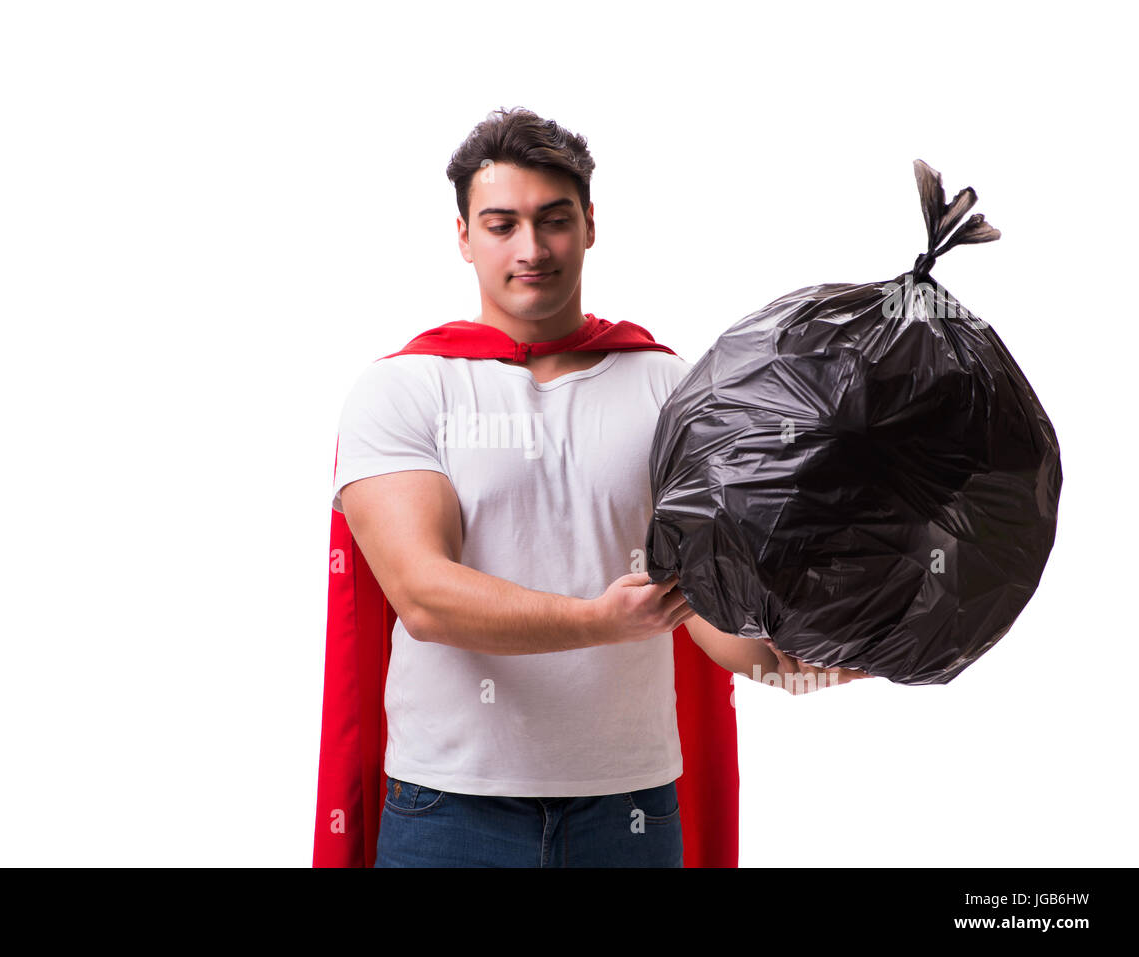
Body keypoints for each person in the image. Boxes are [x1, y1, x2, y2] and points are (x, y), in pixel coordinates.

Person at [326, 107, 867, 868]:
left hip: (631, 811)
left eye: (554, 220)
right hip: (449, 811)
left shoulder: (668, 387)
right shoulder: (404, 391)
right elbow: (425, 596)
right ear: (463, 237)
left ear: (589, 225)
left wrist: (822, 652)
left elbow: (706, 604)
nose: (532, 248)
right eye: (502, 224)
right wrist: (601, 619)